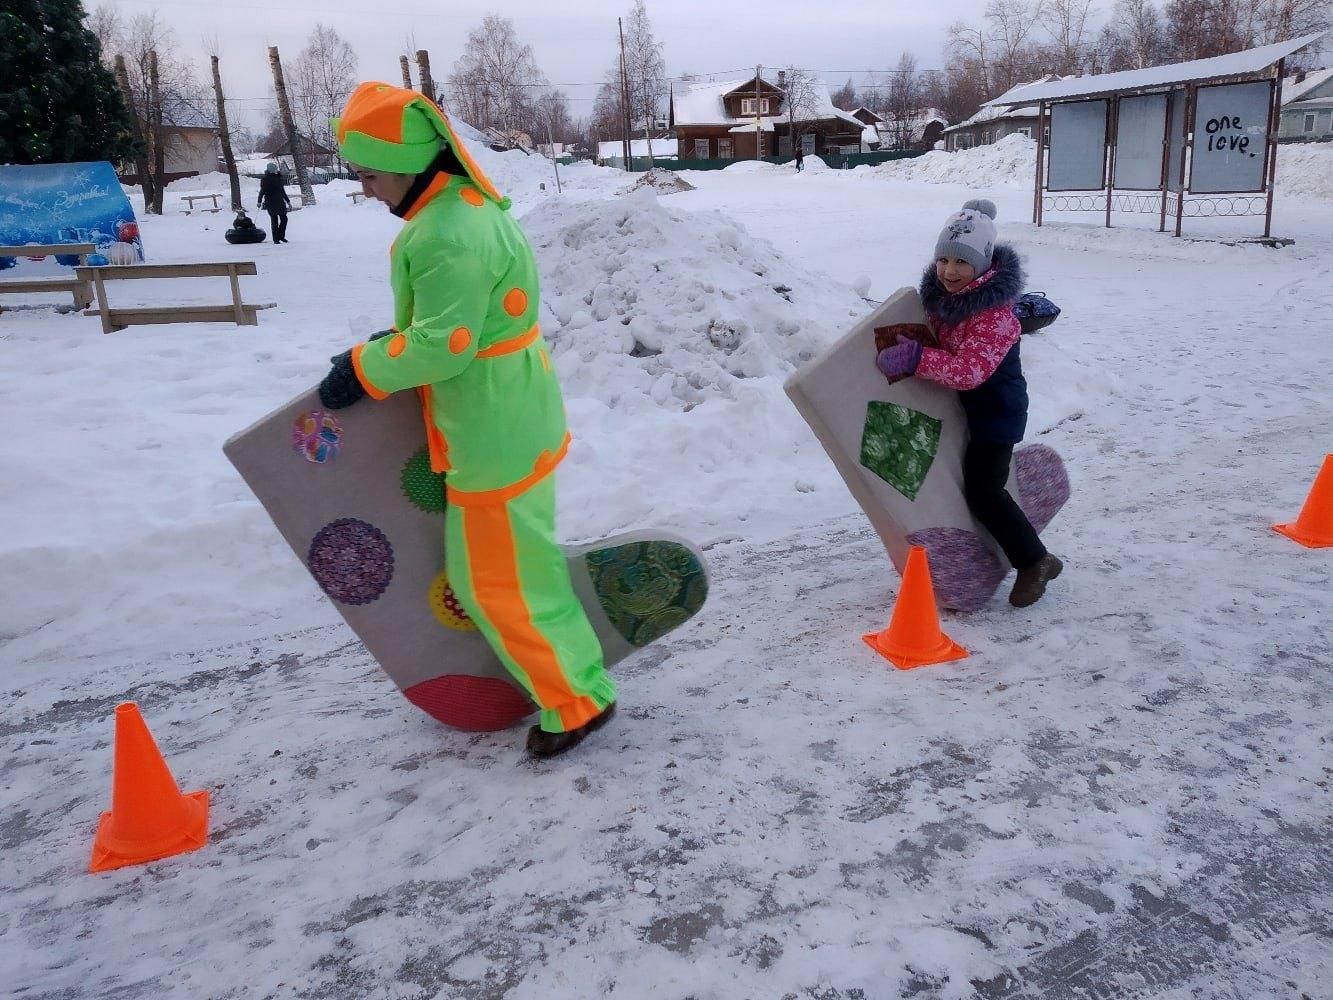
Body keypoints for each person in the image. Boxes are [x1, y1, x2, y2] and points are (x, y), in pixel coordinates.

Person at [317, 81, 617, 757]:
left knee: (496, 582)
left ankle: (576, 698)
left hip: (491, 427)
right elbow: (458, 324)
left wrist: (366, 368)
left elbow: (443, 346)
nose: (365, 189)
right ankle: (571, 676)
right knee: (515, 569)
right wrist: (390, 344)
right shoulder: (464, 206)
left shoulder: (447, 232)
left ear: (408, 164)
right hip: (509, 411)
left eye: (368, 174)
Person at [874, 199, 1063, 607]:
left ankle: (1036, 561)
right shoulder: (946, 299)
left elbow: (969, 371)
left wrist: (917, 358)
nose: (949, 270)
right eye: (943, 258)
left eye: (961, 261)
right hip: (965, 411)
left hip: (997, 415)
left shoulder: (995, 315)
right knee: (962, 485)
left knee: (984, 493)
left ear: (984, 263)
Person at [258, 162, 291, 244]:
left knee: (284, 219)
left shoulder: (278, 178)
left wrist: (288, 201)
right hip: (270, 202)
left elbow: (282, 191)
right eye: (275, 169)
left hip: (280, 201)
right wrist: (259, 201)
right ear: (271, 170)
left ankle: (281, 236)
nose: (277, 170)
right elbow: (262, 191)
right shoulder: (265, 179)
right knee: (274, 220)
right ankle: (276, 239)